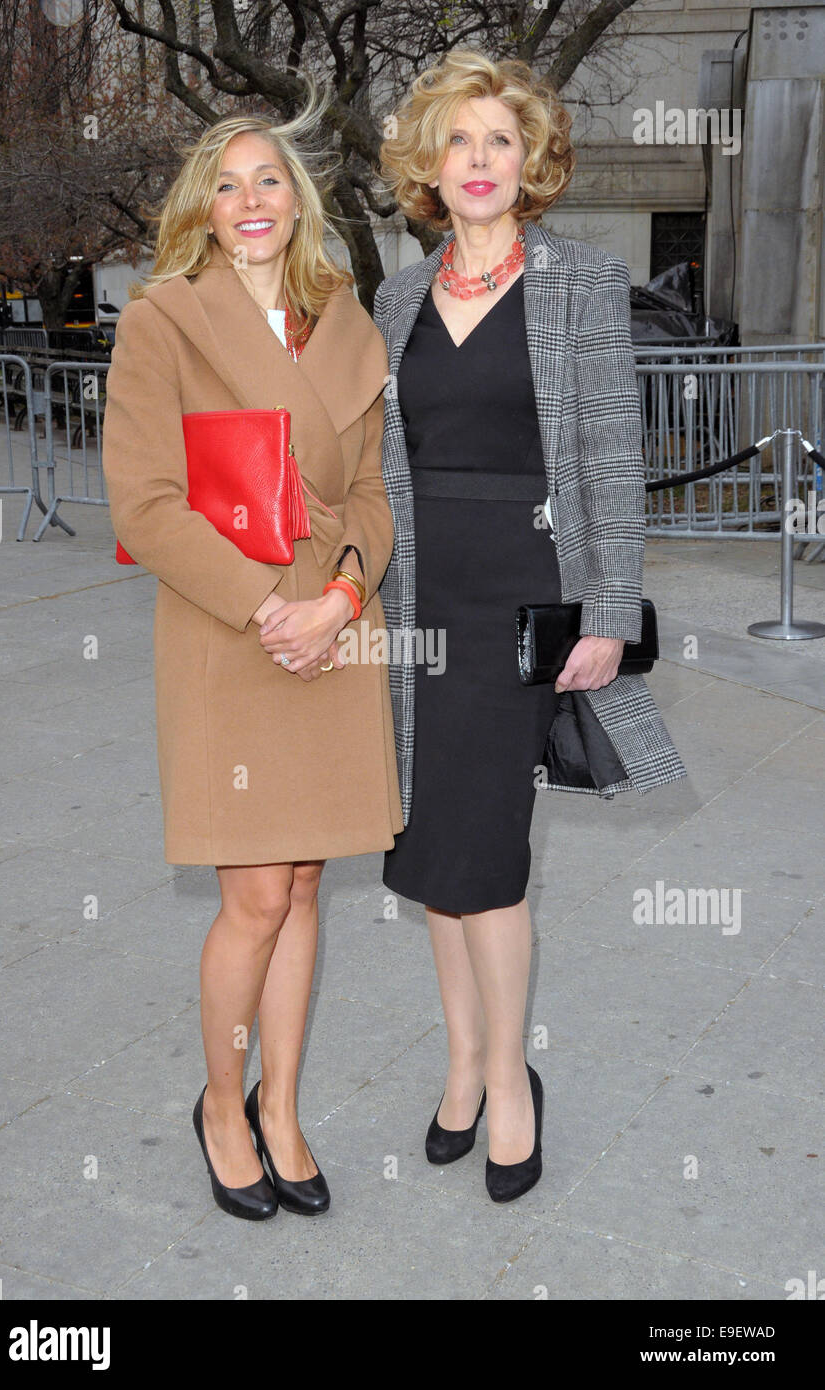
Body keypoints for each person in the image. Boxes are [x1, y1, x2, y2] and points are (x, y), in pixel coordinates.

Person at [374, 50, 687, 1203]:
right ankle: (459, 1059)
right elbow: (380, 464)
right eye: (456, 141)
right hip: (418, 605)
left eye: (498, 142)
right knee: (430, 854)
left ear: (530, 162)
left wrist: (605, 615)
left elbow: (612, 458)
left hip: (525, 603)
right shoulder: (397, 296)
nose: (477, 161)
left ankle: (510, 1077)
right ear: (428, 163)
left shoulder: (579, 283)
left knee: (490, 857)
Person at [102, 94, 403, 1221]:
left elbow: (373, 495)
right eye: (225, 185)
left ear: (298, 198)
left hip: (334, 625)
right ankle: (223, 1105)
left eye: (266, 179)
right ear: (204, 210)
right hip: (227, 633)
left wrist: (335, 595)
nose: (249, 201)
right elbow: (140, 498)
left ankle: (284, 1108)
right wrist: (259, 604)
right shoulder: (164, 319)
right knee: (254, 895)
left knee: (307, 882)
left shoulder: (347, 320)